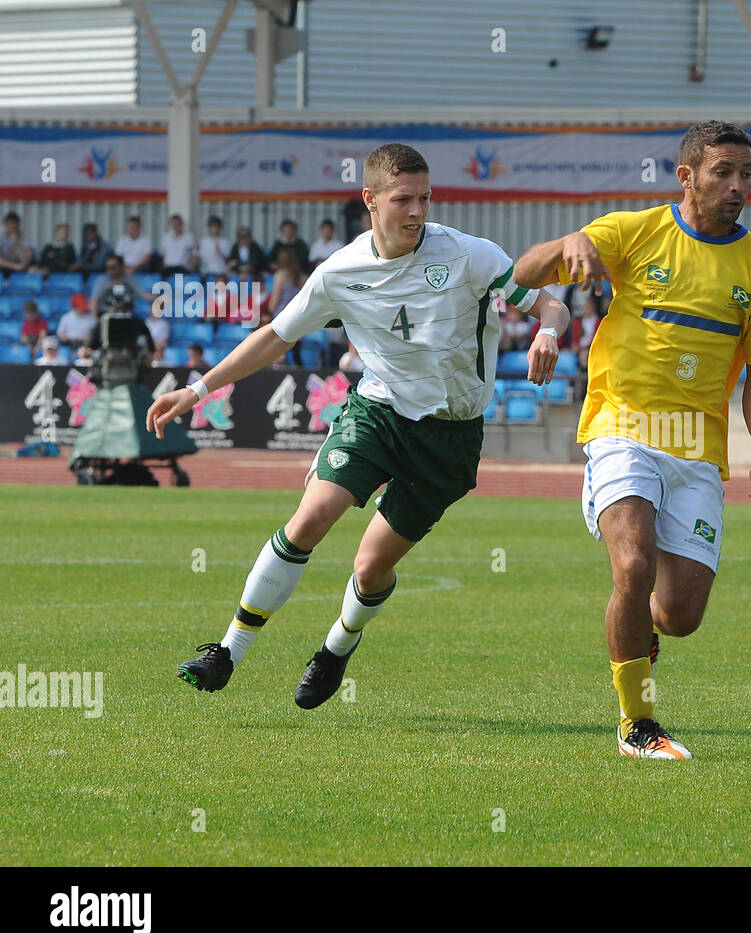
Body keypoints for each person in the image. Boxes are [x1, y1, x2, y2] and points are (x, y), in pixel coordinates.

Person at [147, 143, 568, 707]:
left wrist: (548, 332)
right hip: (379, 411)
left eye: (424, 198)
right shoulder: (340, 272)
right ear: (370, 200)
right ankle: (227, 650)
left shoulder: (471, 255)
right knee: (312, 515)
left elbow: (552, 307)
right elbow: (276, 337)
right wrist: (197, 389)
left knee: (370, 569)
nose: (417, 211)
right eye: (403, 200)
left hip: (451, 434)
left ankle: (336, 648)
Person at [512, 120, 751, 759]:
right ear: (686, 175)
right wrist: (571, 242)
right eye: (724, 172)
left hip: (696, 451)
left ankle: (641, 631)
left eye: (747, 174)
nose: (738, 186)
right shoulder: (632, 232)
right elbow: (524, 274)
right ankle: (638, 726)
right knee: (632, 566)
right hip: (622, 429)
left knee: (681, 614)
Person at [89, 255, 155, 315]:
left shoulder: (129, 280)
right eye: (107, 267)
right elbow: (95, 300)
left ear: (121, 266)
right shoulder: (102, 280)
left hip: (126, 315)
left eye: (113, 267)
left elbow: (144, 295)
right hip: (105, 315)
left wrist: (159, 298)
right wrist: (95, 316)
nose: (109, 270)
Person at [0, 212, 34, 276]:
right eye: (10, 224)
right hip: (6, 266)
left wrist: (17, 244)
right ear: (5, 225)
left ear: (18, 224)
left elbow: (26, 261)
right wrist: (15, 266)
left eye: (14, 224)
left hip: (21, 267)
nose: (12, 226)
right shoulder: (1, 238)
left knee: (33, 270)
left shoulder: (25, 238)